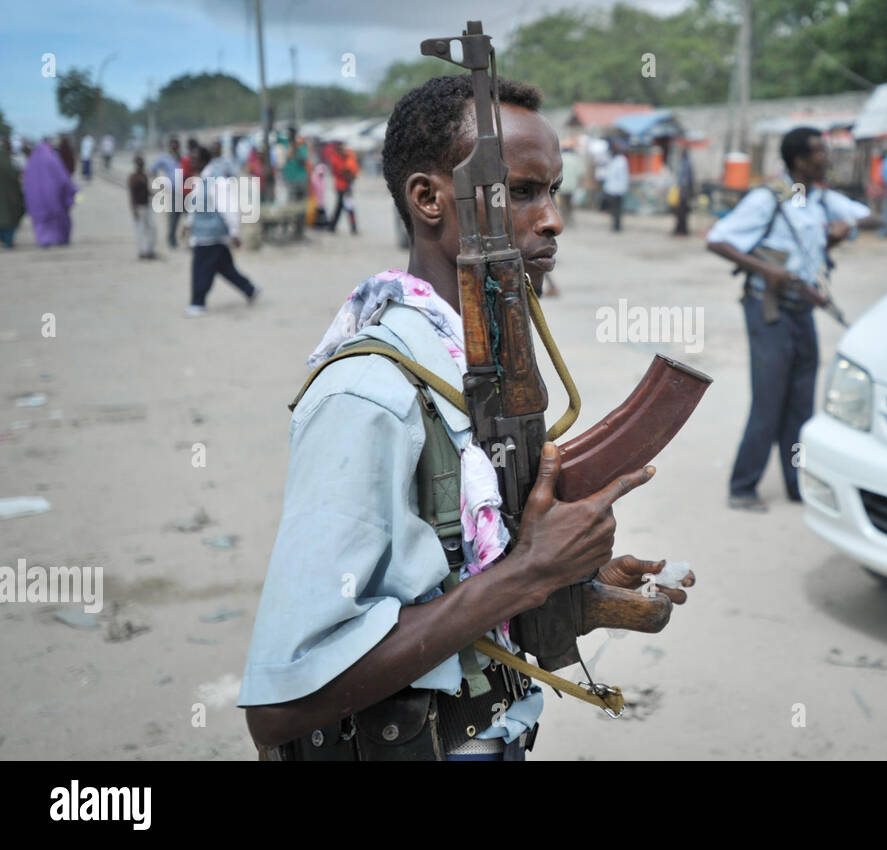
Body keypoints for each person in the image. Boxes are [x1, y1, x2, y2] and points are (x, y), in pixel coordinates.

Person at [238, 73, 692, 761]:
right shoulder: (369, 393)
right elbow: (278, 709)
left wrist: (580, 591)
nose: (553, 219)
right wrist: (530, 574)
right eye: (522, 191)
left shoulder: (473, 369)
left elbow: (457, 583)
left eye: (554, 191)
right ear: (427, 198)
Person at [706, 127, 879, 512]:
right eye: (820, 152)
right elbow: (717, 239)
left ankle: (795, 483)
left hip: (803, 309)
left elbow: (873, 218)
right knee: (769, 401)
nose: (828, 157)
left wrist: (844, 227)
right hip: (769, 307)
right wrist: (766, 270)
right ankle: (743, 486)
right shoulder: (768, 199)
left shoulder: (822, 199)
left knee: (802, 401)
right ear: (800, 160)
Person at [186, 142, 259, 317]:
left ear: (203, 160)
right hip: (204, 232)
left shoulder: (217, 180)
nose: (192, 162)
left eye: (195, 159)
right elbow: (195, 205)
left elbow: (228, 207)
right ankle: (249, 289)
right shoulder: (201, 179)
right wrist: (188, 224)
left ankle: (198, 302)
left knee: (201, 269)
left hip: (211, 234)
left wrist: (234, 232)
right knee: (224, 267)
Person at [22, 140, 77, 247]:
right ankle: (60, 239)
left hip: (36, 201)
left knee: (40, 223)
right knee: (57, 221)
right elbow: (63, 179)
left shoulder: (30, 163)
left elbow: (26, 183)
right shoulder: (52, 160)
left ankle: (44, 241)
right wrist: (72, 191)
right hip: (54, 199)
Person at [151, 137, 185, 249]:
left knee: (182, 215)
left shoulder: (182, 157)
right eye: (172, 145)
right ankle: (171, 238)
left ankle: (180, 236)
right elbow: (152, 169)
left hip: (184, 189)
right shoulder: (164, 158)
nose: (174, 147)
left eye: (176, 145)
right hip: (172, 190)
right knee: (173, 215)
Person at [127, 155, 157, 259]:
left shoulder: (144, 176)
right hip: (139, 206)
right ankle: (142, 251)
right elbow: (132, 195)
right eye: (139, 163)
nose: (141, 165)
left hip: (147, 205)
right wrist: (134, 209)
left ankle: (150, 250)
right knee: (140, 230)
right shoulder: (133, 177)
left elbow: (146, 191)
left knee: (151, 229)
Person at [327, 141, 359, 234]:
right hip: (341, 186)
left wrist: (349, 175)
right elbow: (340, 172)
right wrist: (348, 174)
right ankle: (335, 226)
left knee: (347, 207)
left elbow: (352, 170)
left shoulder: (348, 156)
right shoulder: (335, 158)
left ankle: (351, 228)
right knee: (342, 208)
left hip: (347, 186)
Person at [0, 138, 25, 249]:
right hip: (11, 197)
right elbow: (17, 176)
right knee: (10, 219)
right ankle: (9, 242)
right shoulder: (11, 163)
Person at [601, 142, 629, 232]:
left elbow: (624, 175)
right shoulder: (611, 160)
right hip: (612, 188)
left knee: (618, 208)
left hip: (619, 188)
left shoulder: (621, 160)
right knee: (613, 208)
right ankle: (615, 225)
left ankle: (618, 225)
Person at [671, 145, 695, 236]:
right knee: (680, 212)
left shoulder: (687, 163)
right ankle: (680, 229)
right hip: (682, 191)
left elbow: (687, 180)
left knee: (682, 212)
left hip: (684, 192)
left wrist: (687, 192)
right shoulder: (684, 163)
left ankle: (682, 230)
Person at [281, 128, 309, 202]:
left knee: (302, 201)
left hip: (301, 178)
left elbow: (304, 160)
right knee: (293, 201)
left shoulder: (301, 146)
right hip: (290, 178)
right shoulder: (286, 145)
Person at [558, 141, 582, 224]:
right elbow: (579, 173)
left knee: (563, 204)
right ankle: (570, 219)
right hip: (572, 185)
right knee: (570, 203)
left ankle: (564, 219)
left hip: (562, 185)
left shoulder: (561, 158)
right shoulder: (575, 159)